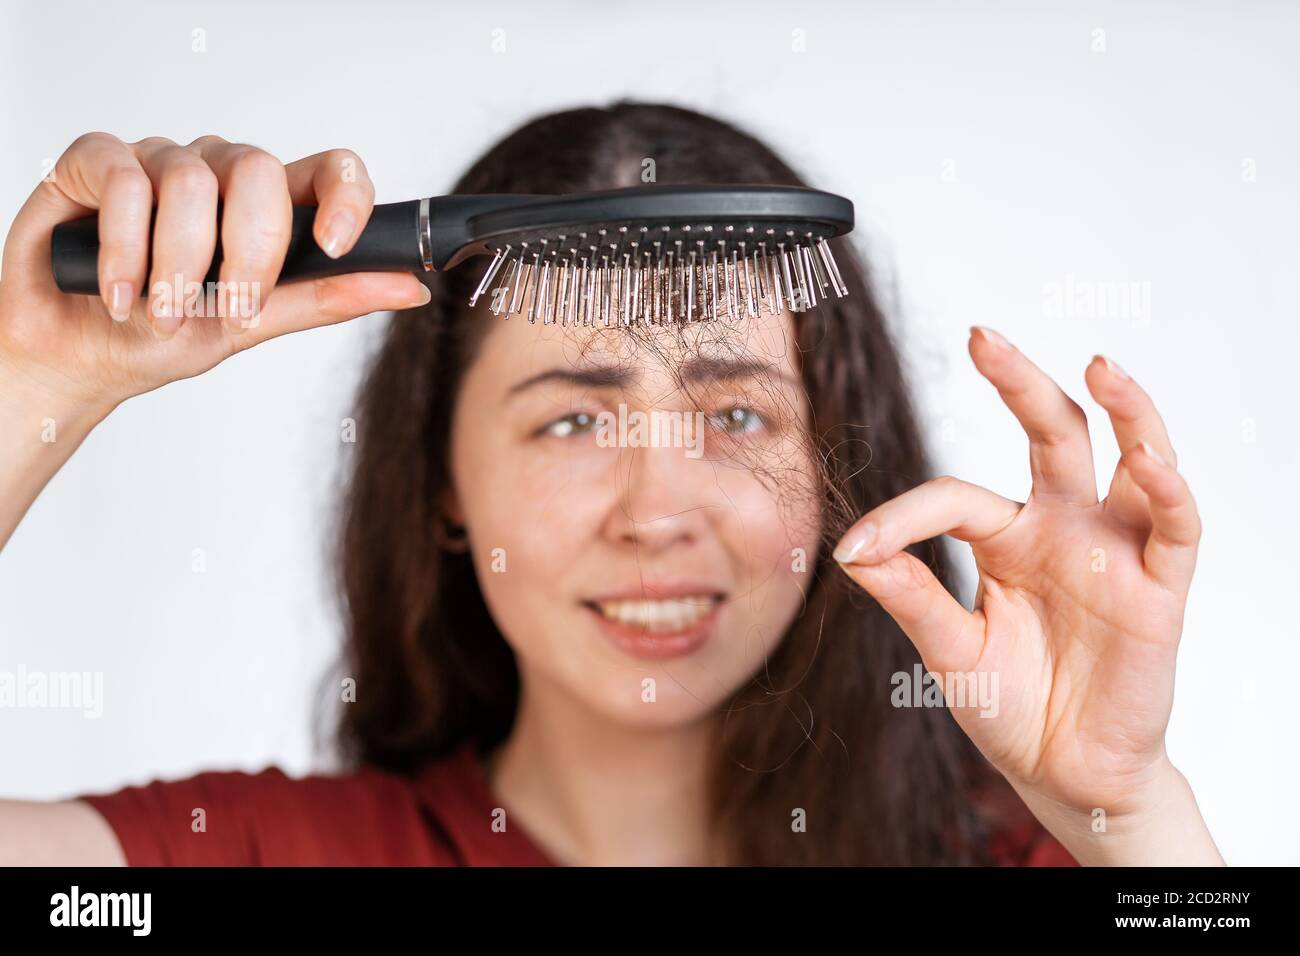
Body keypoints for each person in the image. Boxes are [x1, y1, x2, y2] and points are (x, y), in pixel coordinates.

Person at [0, 102, 1222, 866]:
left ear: (835, 466)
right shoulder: (273, 857)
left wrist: (1128, 814)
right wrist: (32, 381)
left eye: (737, 411)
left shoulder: (1044, 856)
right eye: (574, 416)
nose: (655, 508)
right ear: (441, 483)